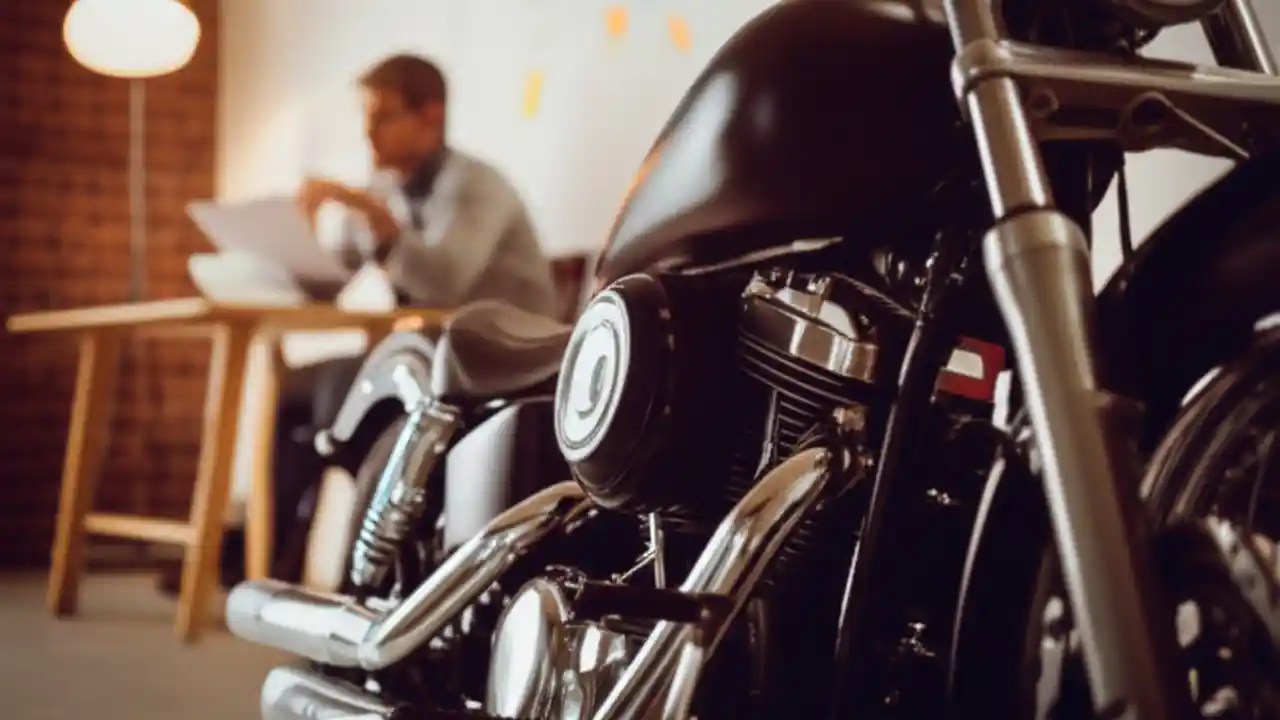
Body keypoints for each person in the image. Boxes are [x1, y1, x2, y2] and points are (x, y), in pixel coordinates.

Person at [176, 55, 558, 591]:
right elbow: (334, 279)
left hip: (501, 355)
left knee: (342, 389)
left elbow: (444, 282)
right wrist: (291, 245)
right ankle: (263, 563)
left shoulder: (478, 186)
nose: (367, 133)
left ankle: (367, 577)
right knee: (294, 389)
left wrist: (381, 225)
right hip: (430, 348)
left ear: (429, 115)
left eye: (382, 117)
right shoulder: (387, 187)